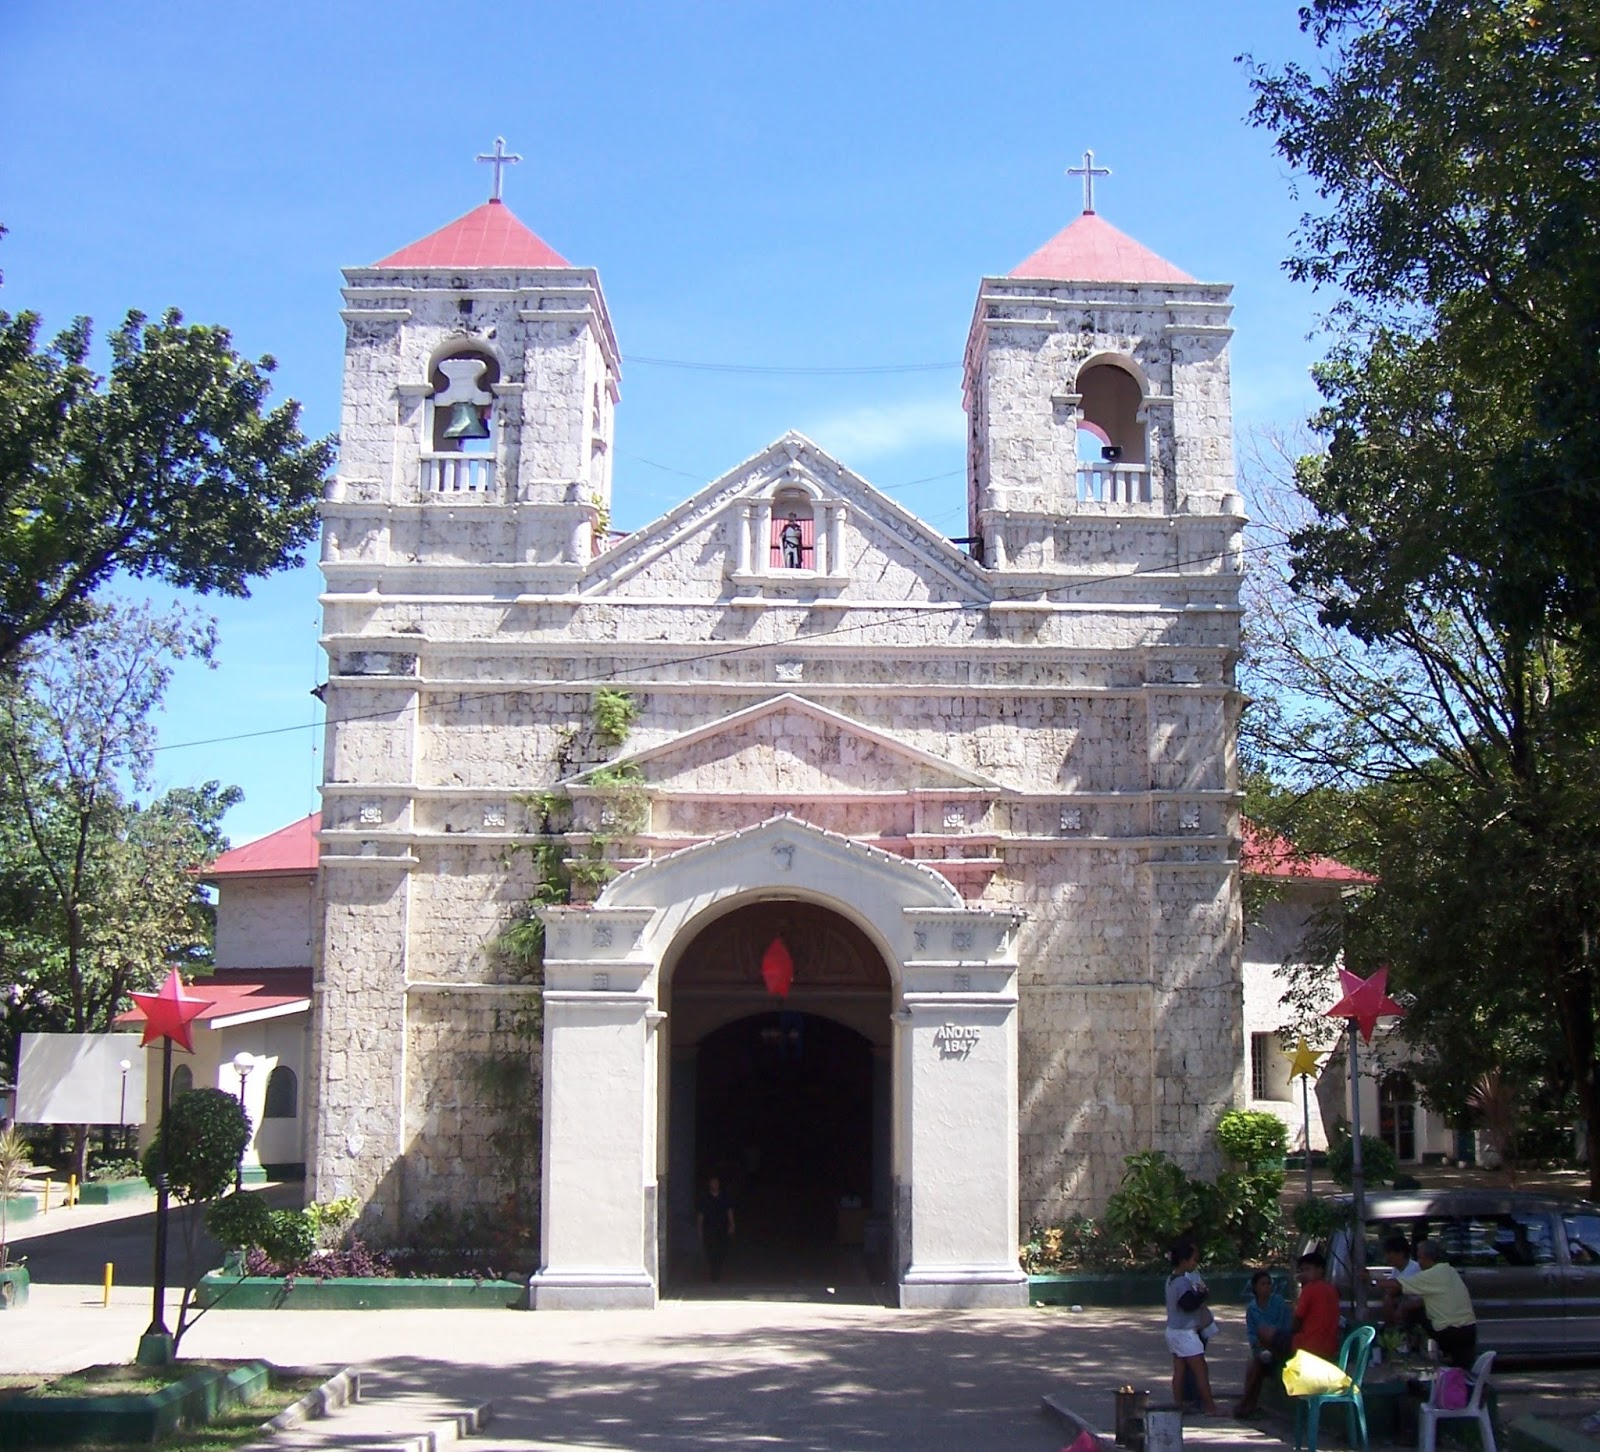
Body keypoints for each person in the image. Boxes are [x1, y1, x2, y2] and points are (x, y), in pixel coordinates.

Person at [1398, 1238, 1477, 1368]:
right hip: (1469, 1329)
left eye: (1419, 1258)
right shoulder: (1449, 1271)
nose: (1418, 1263)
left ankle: (1413, 1350)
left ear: (1427, 1258)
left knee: (1415, 1313)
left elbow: (1397, 1285)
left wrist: (1372, 1281)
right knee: (1464, 1369)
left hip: (1450, 1331)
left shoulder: (1432, 1274)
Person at [1165, 1238, 1220, 1415]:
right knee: (1200, 1370)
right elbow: (1187, 1304)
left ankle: (1178, 1404)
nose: (1195, 1263)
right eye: (1194, 1260)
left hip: (1173, 1331)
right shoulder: (1182, 1282)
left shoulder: (1170, 1279)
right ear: (1184, 1261)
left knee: (1179, 1369)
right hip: (1184, 1332)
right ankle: (1210, 1407)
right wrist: (1201, 1295)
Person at [1233, 1269, 1293, 1417]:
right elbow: (1252, 1334)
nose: (1266, 1287)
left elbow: (1286, 1327)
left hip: (1280, 1345)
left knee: (1256, 1364)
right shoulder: (1252, 1309)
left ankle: (1245, 1404)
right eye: (1262, 1284)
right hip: (1262, 1348)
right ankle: (1249, 1405)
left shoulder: (1278, 1302)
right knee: (1256, 1363)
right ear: (1255, 1287)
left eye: (1268, 1284)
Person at [1290, 1250, 1342, 1362]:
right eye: (1302, 1271)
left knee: (1265, 1332)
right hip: (1330, 1347)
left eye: (1308, 1269)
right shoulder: (1332, 1289)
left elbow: (1296, 1321)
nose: (1304, 1274)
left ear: (1320, 1270)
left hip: (1308, 1346)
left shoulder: (1310, 1288)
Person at [697, 1173, 735, 1282]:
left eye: (716, 1183)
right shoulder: (705, 1198)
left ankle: (718, 1269)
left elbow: (729, 1210)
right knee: (710, 1249)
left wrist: (732, 1224)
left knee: (722, 1250)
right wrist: (699, 1229)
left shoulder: (724, 1196)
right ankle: (714, 1271)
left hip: (722, 1227)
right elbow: (700, 1214)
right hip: (708, 1228)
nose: (714, 1185)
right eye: (712, 1183)